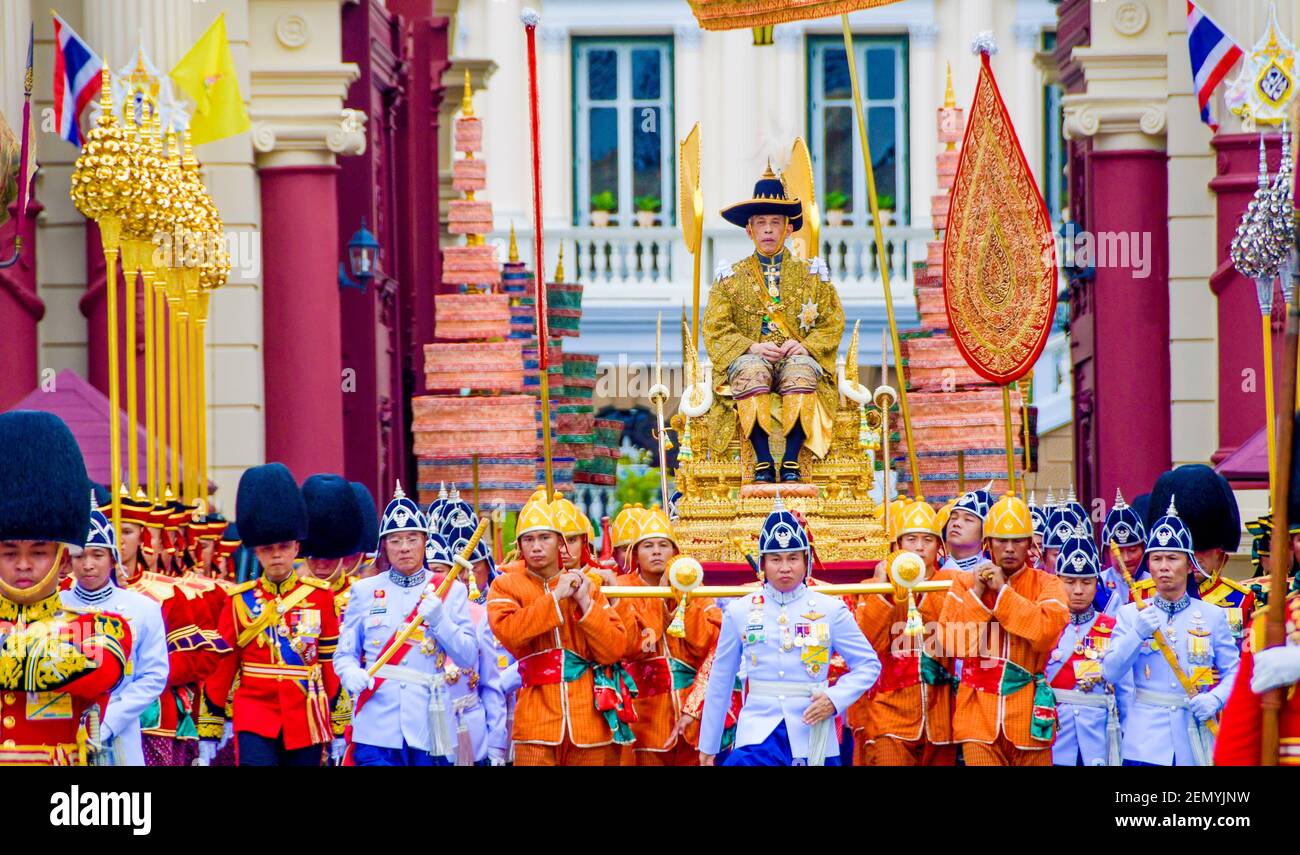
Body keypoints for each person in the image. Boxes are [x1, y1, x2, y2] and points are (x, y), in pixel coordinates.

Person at [698, 494, 879, 765]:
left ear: (806, 560)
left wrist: (834, 698)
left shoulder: (831, 609)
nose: (785, 568)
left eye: (793, 558)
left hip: (812, 728)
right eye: (776, 559)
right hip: (758, 733)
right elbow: (720, 680)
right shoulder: (740, 611)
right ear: (762, 564)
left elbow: (869, 665)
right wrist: (709, 745)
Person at [0, 411, 132, 766]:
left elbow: (97, 672)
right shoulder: (77, 633)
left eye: (39, 552)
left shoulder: (99, 627)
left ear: (62, 561)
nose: (24, 564)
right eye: (10, 552)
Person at [701, 164, 845, 483]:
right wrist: (750, 346)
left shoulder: (812, 277)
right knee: (751, 368)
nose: (768, 230)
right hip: (751, 361)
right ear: (749, 230)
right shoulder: (730, 280)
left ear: (788, 229)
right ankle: (764, 461)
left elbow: (832, 322)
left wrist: (806, 347)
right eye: (761, 223)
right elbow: (715, 328)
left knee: (800, 369)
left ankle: (791, 460)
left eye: (775, 223)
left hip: (797, 359)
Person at [331, 482, 478, 766]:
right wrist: (350, 674)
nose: (405, 548)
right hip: (377, 724)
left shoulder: (450, 590)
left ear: (425, 541)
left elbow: (468, 656)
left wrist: (440, 620)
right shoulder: (365, 590)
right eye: (395, 540)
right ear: (384, 545)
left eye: (412, 538)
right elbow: (344, 653)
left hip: (429, 722)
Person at [203, 463, 341, 766]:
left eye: (284, 546)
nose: (276, 554)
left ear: (296, 549)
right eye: (268, 548)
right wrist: (211, 723)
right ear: (256, 551)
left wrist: (339, 721)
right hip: (254, 714)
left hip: (306, 715)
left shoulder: (320, 596)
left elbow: (329, 662)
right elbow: (223, 665)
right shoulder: (240, 601)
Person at [487, 488, 629, 766]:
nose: (536, 546)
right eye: (528, 539)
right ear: (519, 545)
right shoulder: (505, 585)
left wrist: (585, 602)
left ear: (560, 543)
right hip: (536, 721)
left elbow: (614, 648)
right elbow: (510, 631)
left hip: (589, 718)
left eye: (544, 538)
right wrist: (555, 598)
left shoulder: (587, 586)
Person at [1102, 497, 1239, 766]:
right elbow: (1110, 671)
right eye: (1157, 558)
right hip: (1145, 744)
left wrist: (1216, 698)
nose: (1164, 566)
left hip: (1194, 738)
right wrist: (1137, 634)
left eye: (1172, 558)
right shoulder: (1131, 615)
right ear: (1148, 564)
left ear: (1189, 565)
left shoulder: (1213, 615)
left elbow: (1235, 671)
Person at [939, 493, 1070, 766]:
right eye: (1001, 540)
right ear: (988, 544)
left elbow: (1045, 633)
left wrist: (1001, 592)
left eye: (1017, 540)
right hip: (977, 715)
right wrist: (977, 591)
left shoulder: (1048, 584)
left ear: (1030, 545)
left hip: (1029, 712)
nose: (1009, 548)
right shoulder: (964, 584)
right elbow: (952, 644)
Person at [60, 496, 169, 766]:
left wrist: (110, 721)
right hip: (62, 727)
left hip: (120, 726)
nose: (88, 565)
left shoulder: (144, 609)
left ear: (112, 558)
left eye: (97, 555)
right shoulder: (55, 608)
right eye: (80, 555)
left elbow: (154, 675)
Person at [613, 506, 722, 765]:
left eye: (664, 545)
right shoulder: (621, 587)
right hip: (643, 713)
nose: (656, 551)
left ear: (675, 552)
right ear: (635, 553)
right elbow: (630, 647)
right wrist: (661, 599)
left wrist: (681, 596)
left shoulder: (695, 587)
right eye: (647, 545)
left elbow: (706, 644)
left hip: (691, 707)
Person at [853, 500, 959, 766]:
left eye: (928, 540)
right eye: (911, 539)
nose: (920, 547)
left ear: (939, 546)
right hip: (889, 713)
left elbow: (957, 639)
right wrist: (883, 588)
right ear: (896, 546)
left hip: (941, 713)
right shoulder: (871, 587)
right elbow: (865, 644)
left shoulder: (952, 584)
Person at [1047, 525, 1131, 766]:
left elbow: (1125, 690)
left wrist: (1127, 734)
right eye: (1070, 581)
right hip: (1054, 735)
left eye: (1086, 582)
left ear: (1097, 584)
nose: (1078, 590)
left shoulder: (1114, 627)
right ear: (1057, 581)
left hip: (1098, 736)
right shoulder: (1046, 624)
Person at [425, 534, 507, 765]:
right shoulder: (410, 617)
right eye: (428, 572)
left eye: (440, 571)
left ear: (456, 575)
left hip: (468, 732)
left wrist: (496, 744)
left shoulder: (478, 617)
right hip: (422, 735)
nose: (434, 581)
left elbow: (491, 684)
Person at [1098, 488, 1146, 615]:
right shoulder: (1099, 584)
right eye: (1118, 552)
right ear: (1107, 552)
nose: (1125, 558)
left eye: (1132, 550)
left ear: (1143, 548)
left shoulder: (1155, 582)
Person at [942, 486, 991, 572]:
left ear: (984, 532)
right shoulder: (934, 570)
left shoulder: (990, 572)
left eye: (968, 520)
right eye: (953, 518)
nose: (956, 524)